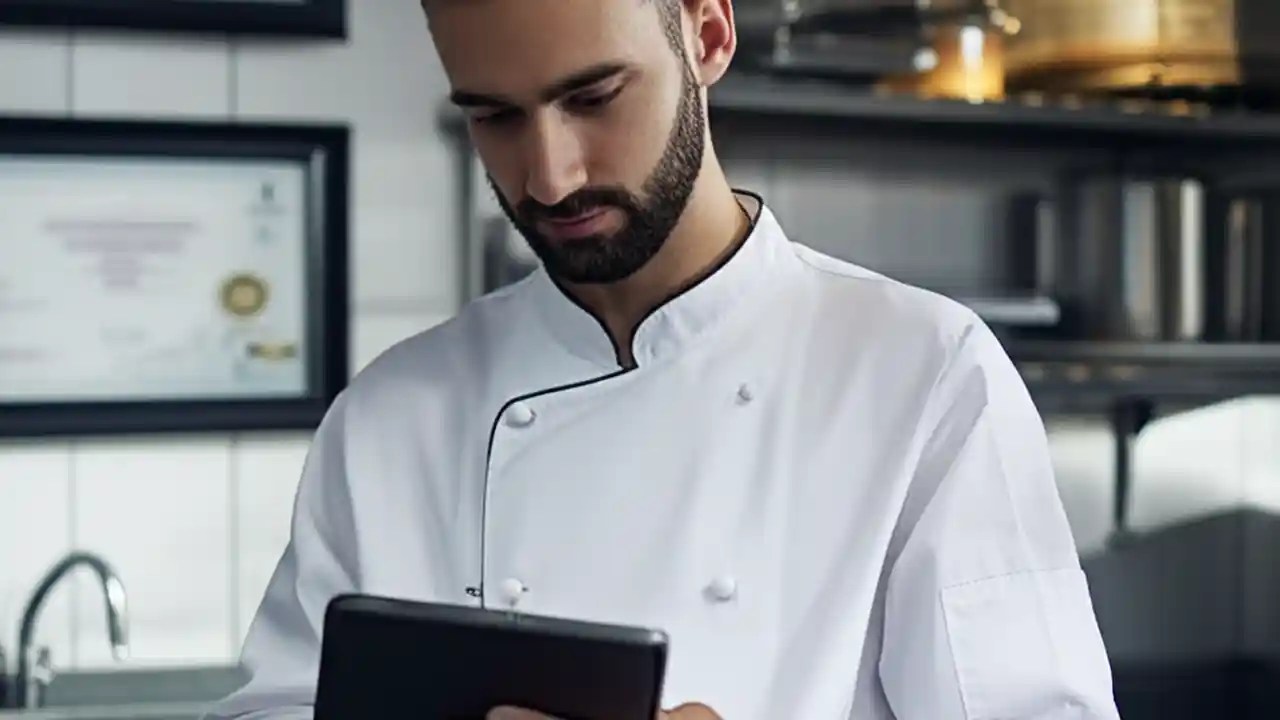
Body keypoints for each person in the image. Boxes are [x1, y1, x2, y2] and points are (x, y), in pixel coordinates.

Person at [206, 0, 1121, 718]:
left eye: (594, 97)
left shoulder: (927, 375)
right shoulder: (390, 416)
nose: (549, 176)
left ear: (708, 34)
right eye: (495, 116)